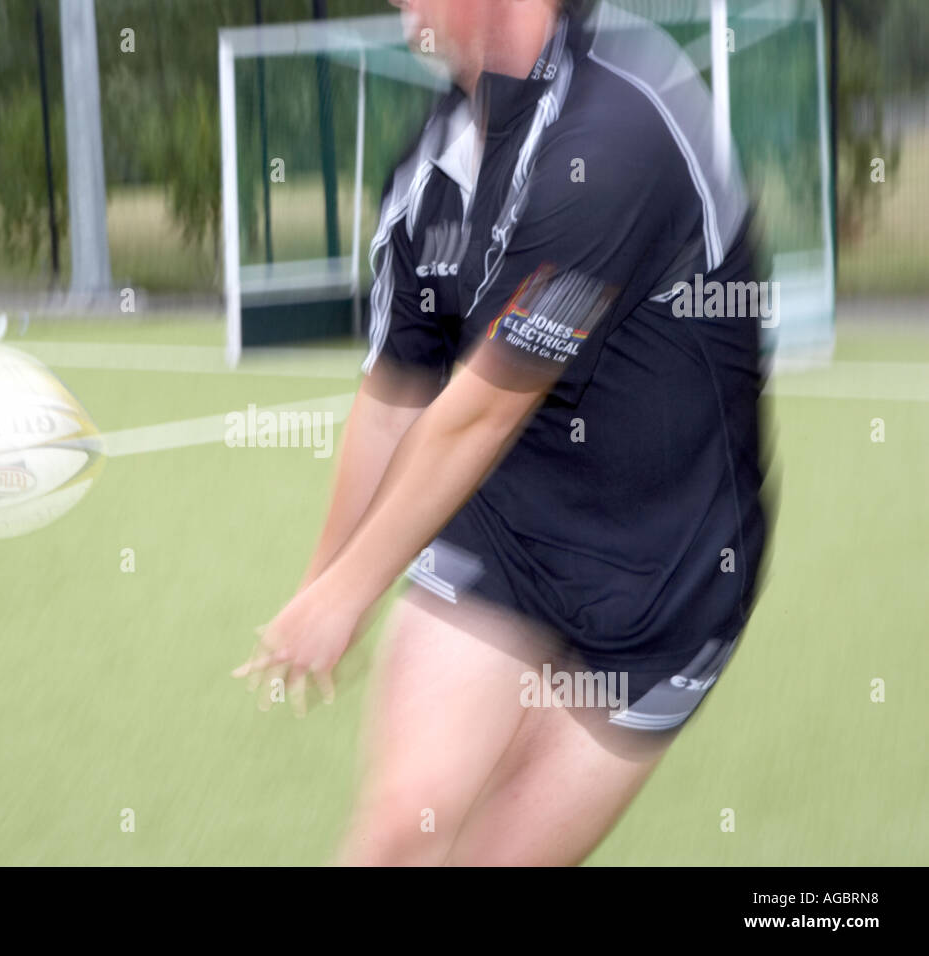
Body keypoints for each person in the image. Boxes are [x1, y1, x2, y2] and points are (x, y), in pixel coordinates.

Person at [234, 0, 771, 866]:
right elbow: (395, 396)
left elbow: (483, 410)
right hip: (507, 521)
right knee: (396, 835)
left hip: (663, 582)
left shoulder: (618, 129)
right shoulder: (427, 174)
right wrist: (320, 582)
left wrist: (348, 598)